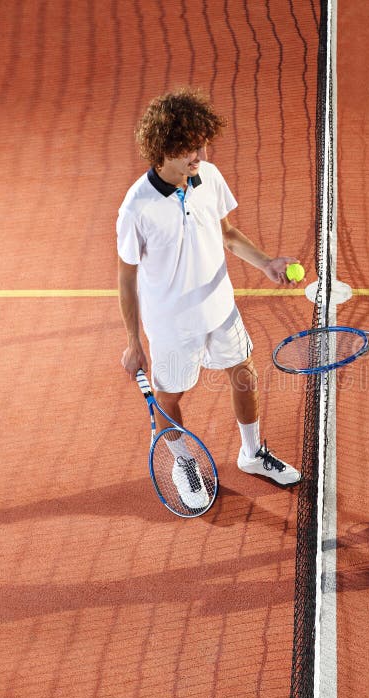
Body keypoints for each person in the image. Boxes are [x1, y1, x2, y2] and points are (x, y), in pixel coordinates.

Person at [117, 89, 302, 507]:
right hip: (172, 325)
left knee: (244, 374)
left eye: (202, 143)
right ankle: (183, 460)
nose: (200, 153)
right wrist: (133, 341)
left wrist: (267, 263)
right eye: (189, 148)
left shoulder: (209, 177)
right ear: (162, 151)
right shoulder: (136, 209)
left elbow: (228, 233)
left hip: (220, 308)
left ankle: (251, 452)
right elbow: (126, 277)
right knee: (169, 397)